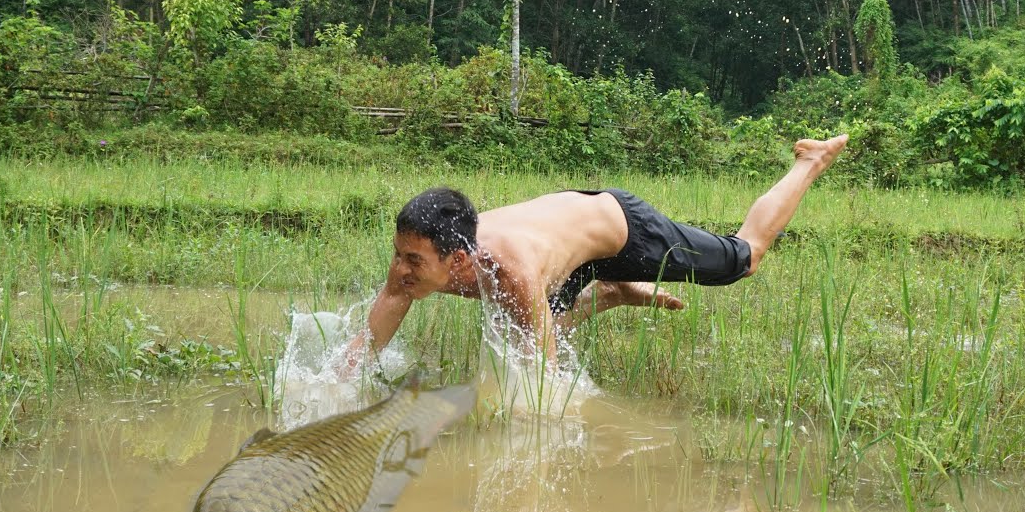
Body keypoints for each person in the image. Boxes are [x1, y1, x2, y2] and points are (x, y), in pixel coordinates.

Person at [344, 134, 850, 366]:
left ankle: (809, 160)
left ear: (457, 260)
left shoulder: (509, 269)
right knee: (521, 322)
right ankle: (611, 293)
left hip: (620, 228)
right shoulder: (415, 258)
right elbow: (363, 349)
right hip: (565, 248)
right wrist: (337, 389)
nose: (400, 271)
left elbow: (542, 379)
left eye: (413, 261)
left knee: (746, 257)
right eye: (399, 255)